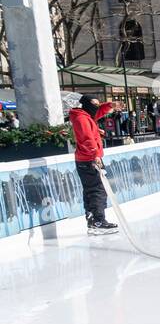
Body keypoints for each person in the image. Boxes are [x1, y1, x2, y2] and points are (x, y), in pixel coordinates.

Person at [68, 95, 119, 235]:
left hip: (88, 158)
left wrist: (110, 105)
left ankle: (92, 219)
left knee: (91, 189)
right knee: (98, 189)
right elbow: (86, 138)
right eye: (94, 104)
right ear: (86, 105)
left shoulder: (85, 115)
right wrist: (95, 154)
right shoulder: (82, 118)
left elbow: (98, 112)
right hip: (90, 159)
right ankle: (98, 221)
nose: (97, 107)